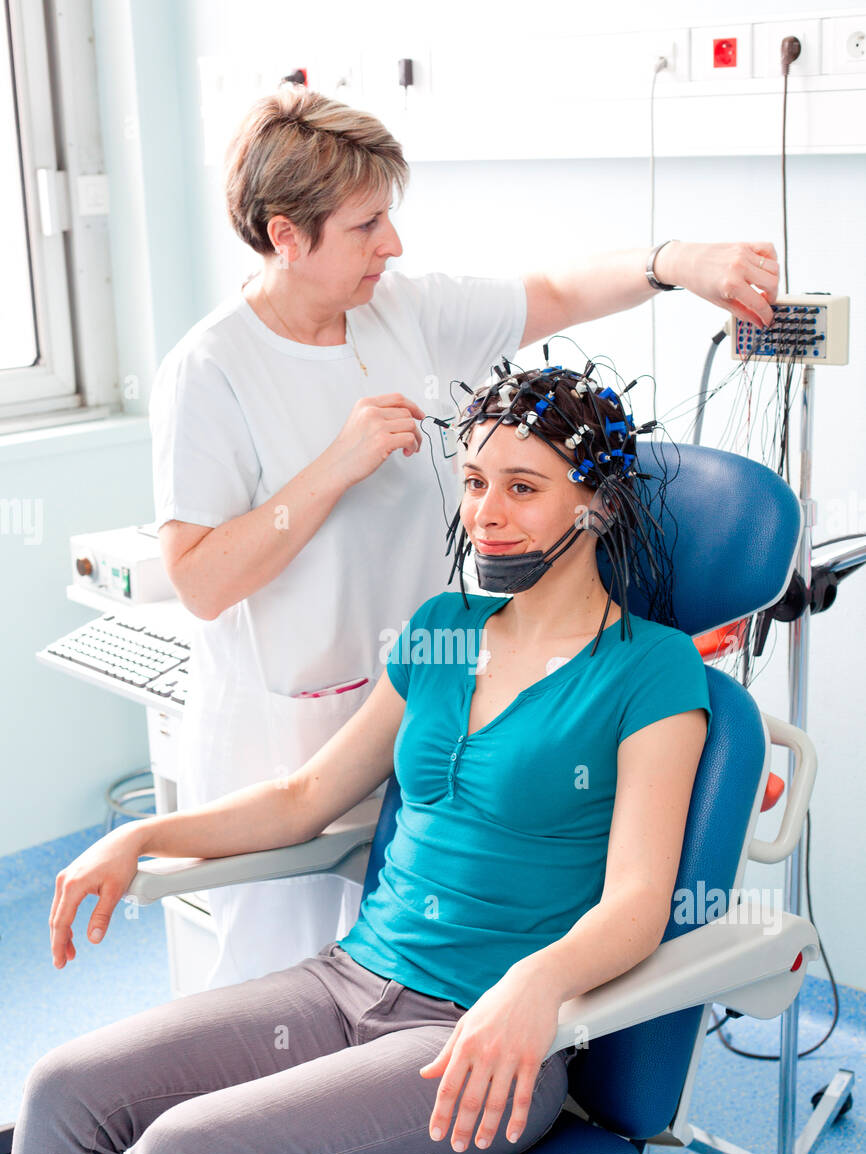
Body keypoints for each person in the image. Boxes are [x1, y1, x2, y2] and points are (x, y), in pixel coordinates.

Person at [7, 363, 713, 1154]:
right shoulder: (440, 630)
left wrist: (533, 986)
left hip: (482, 1039)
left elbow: (635, 903)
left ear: (599, 502)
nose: (487, 512)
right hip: (343, 984)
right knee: (62, 1093)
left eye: (524, 486)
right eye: (473, 483)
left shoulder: (652, 671)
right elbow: (304, 797)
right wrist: (144, 836)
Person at [150, 80, 777, 989]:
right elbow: (200, 581)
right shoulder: (209, 371)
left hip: (436, 697)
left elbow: (557, 291)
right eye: (366, 226)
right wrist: (337, 464)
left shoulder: (402, 307)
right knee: (295, 986)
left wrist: (676, 261)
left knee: (425, 967)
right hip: (293, 732)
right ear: (287, 235)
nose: (391, 245)